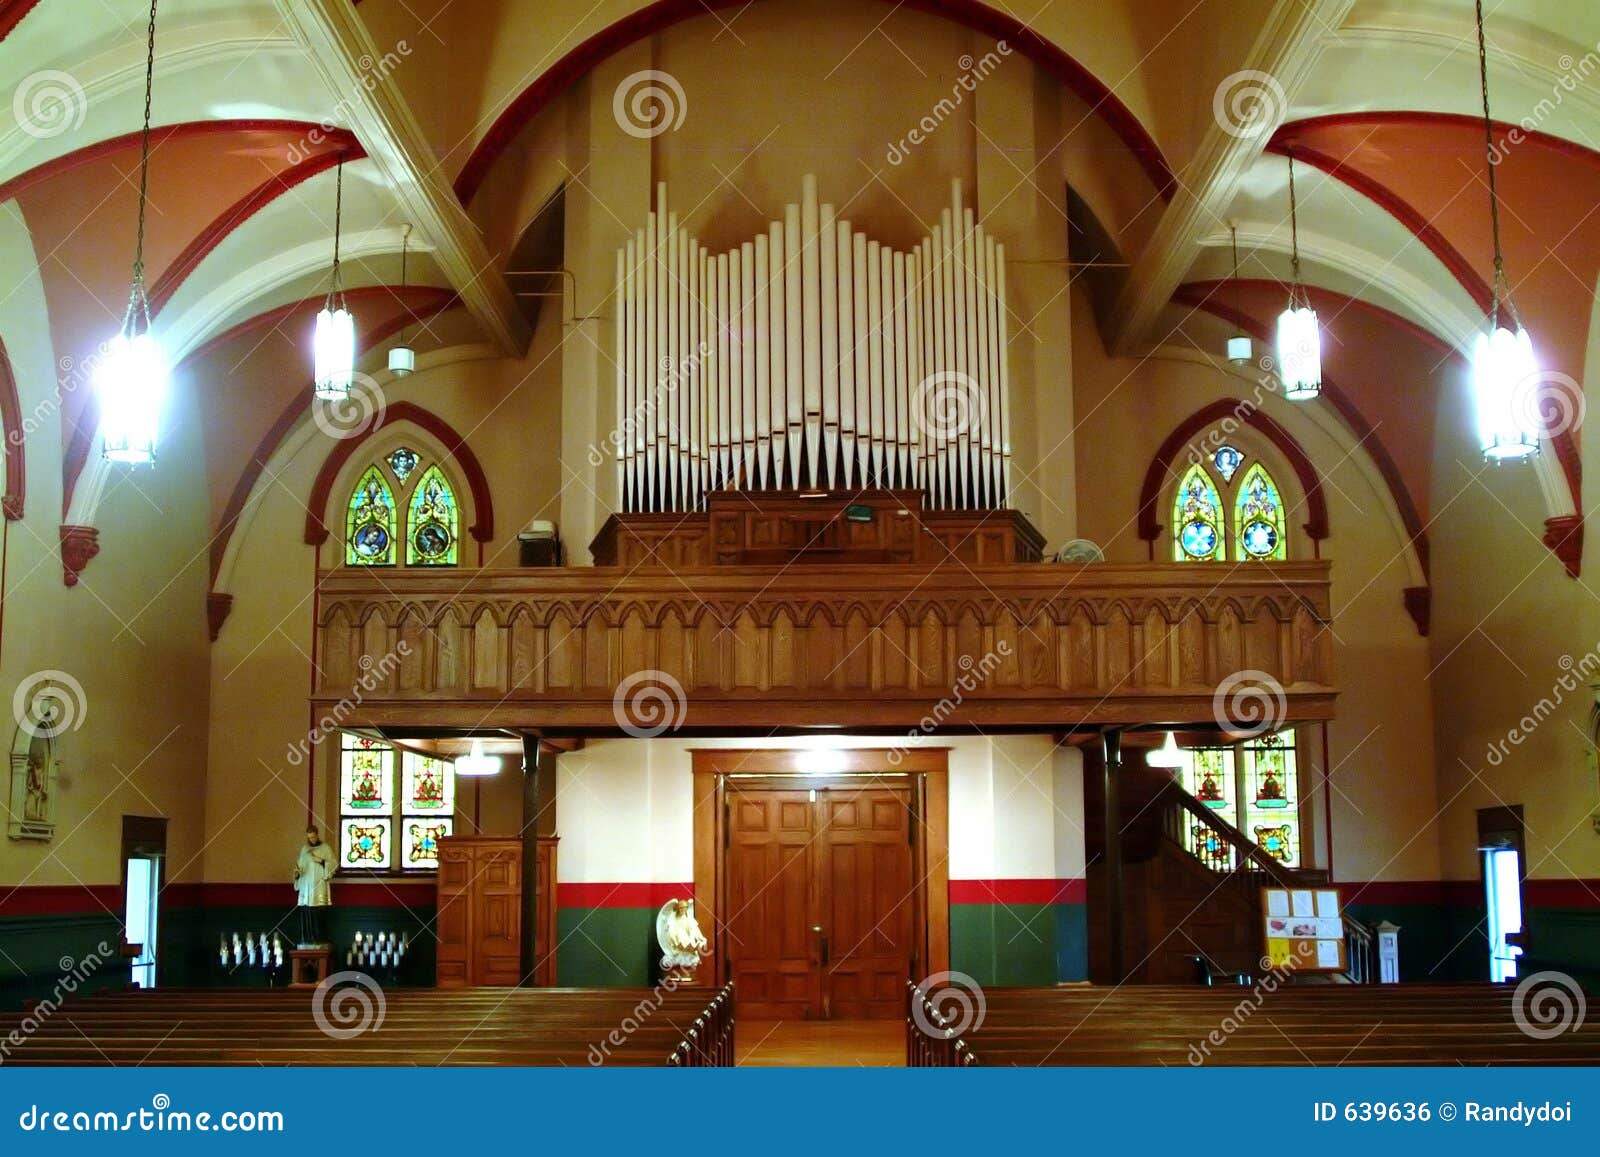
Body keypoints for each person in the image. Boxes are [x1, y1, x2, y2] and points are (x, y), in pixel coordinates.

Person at [293, 826, 335, 947]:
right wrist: (296, 874)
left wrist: (321, 861)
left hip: (319, 886)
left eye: (313, 837)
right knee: (307, 910)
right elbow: (299, 867)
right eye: (309, 837)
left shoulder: (325, 848)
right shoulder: (304, 850)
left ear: (317, 835)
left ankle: (319, 938)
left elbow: (333, 864)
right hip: (306, 886)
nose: (311, 839)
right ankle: (307, 938)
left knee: (319, 912)